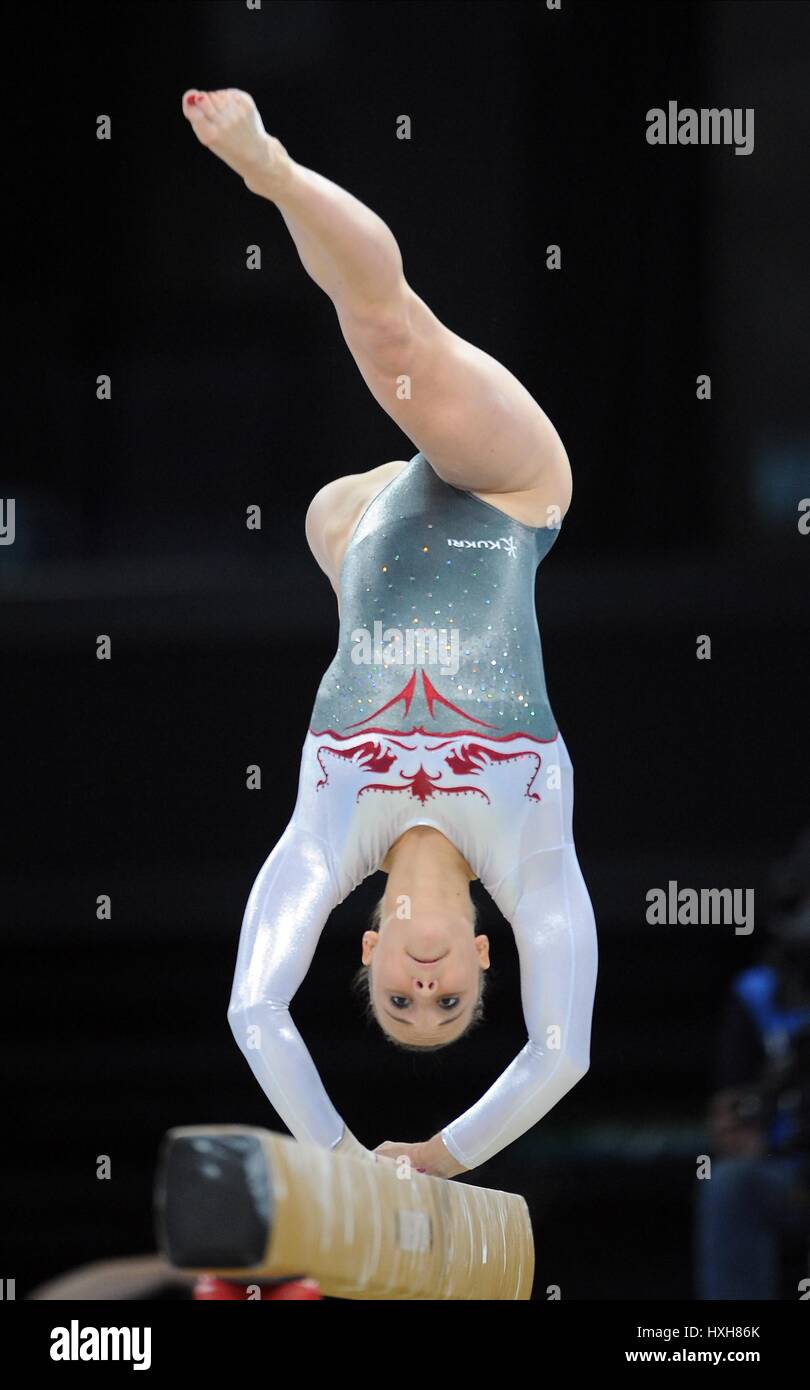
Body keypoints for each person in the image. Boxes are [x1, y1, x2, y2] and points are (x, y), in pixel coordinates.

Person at [182, 88, 598, 1179]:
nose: (423, 981)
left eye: (401, 997)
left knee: (341, 506)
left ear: (364, 948)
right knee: (391, 332)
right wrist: (440, 1160)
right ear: (481, 949)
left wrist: (336, 1156)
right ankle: (270, 166)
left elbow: (254, 1007)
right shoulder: (531, 843)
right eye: (449, 998)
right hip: (506, 493)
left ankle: (362, 496)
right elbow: (562, 1053)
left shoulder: (329, 834)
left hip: (358, 532)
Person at [694, 828, 810, 1298]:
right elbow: (728, 1123)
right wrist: (750, 1129)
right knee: (732, 1185)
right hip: (792, 1172)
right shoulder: (758, 994)